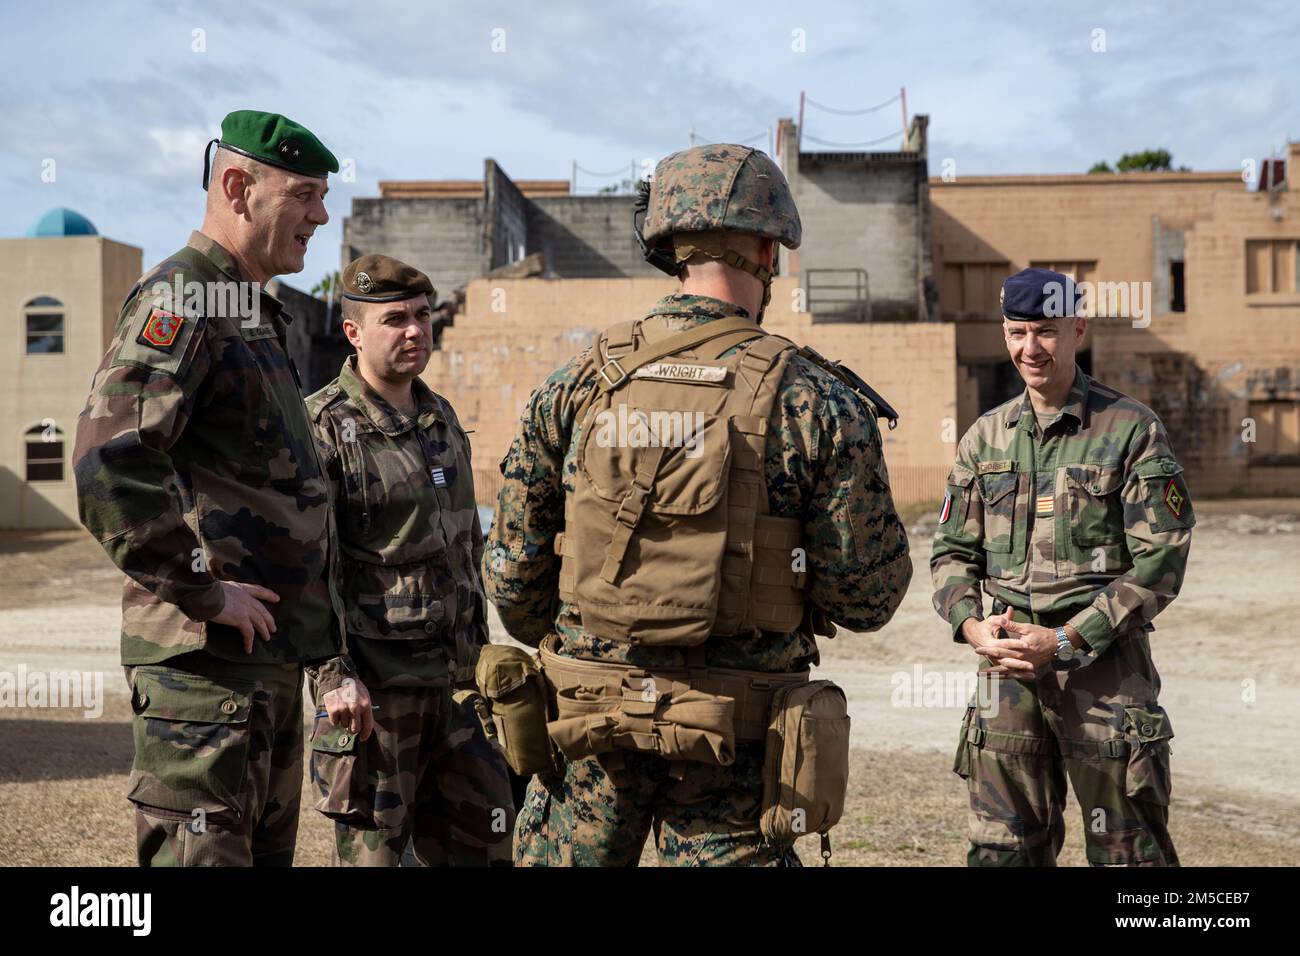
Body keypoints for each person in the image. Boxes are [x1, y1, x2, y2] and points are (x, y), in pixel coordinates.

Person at [482, 143, 912, 866]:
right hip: (737, 751)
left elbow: (514, 584)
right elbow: (867, 598)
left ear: (670, 247)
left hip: (588, 737)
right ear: (767, 249)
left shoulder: (575, 386)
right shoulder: (817, 400)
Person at [72, 109, 371, 866]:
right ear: (237, 186)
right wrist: (205, 589)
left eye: (323, 195)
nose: (321, 214)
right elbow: (110, 459)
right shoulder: (187, 297)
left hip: (258, 675)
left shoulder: (248, 308)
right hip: (204, 684)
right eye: (304, 193)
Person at [932, 267, 1194, 867]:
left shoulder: (1130, 430)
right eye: (1018, 331)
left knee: (1129, 856)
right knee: (1002, 853)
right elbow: (951, 553)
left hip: (1105, 679)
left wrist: (1068, 639)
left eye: (1046, 332)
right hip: (1008, 682)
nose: (1031, 348)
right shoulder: (983, 440)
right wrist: (973, 626)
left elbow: (1162, 561)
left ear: (1078, 329)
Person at [304, 254, 514, 865]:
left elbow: (464, 552)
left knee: (489, 847)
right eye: (394, 319)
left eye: (422, 315)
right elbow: (312, 567)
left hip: (458, 691)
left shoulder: (440, 418)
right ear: (353, 332)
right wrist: (332, 674)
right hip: (377, 700)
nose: (414, 330)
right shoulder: (322, 428)